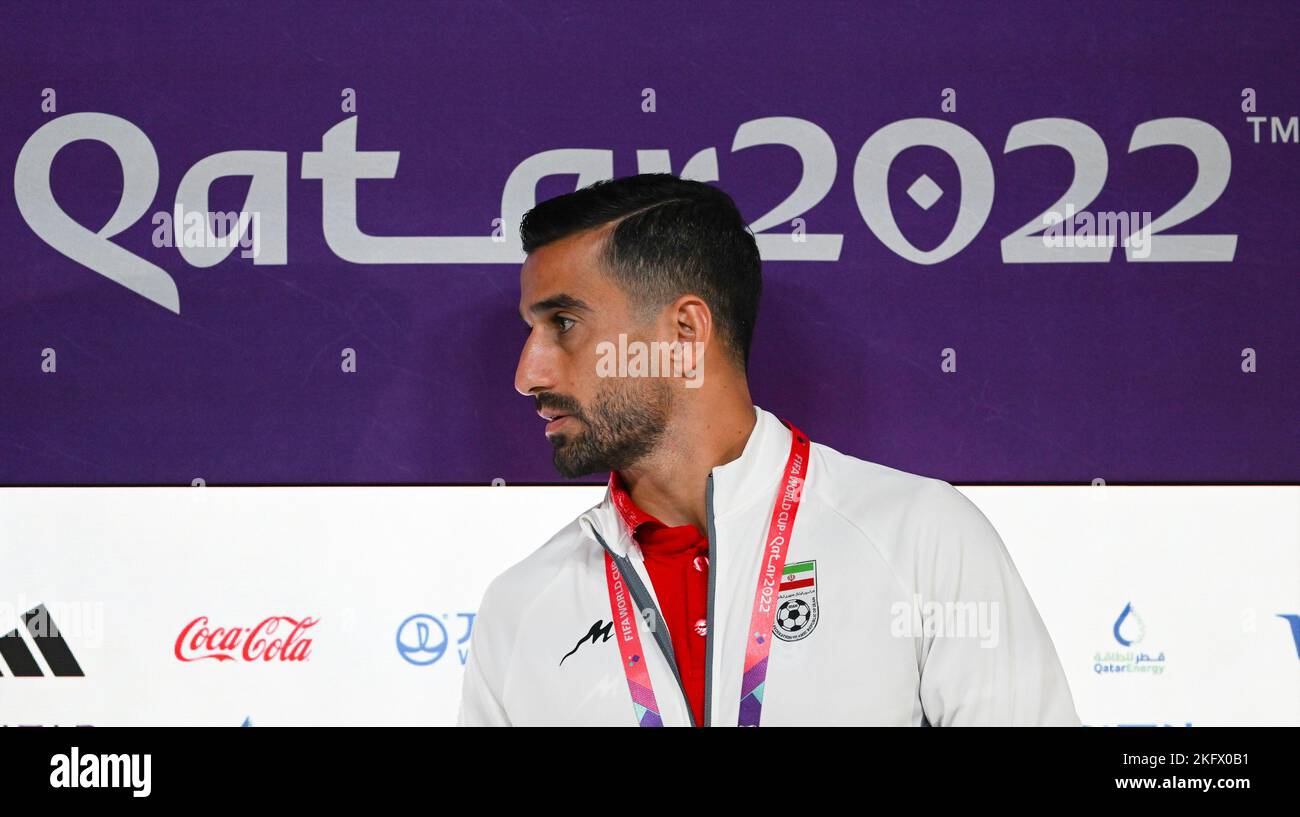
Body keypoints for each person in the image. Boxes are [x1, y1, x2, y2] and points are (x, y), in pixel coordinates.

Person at [458, 173, 1079, 726]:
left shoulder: (921, 540)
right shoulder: (519, 612)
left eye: (563, 324)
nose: (527, 373)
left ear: (684, 332)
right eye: (530, 330)